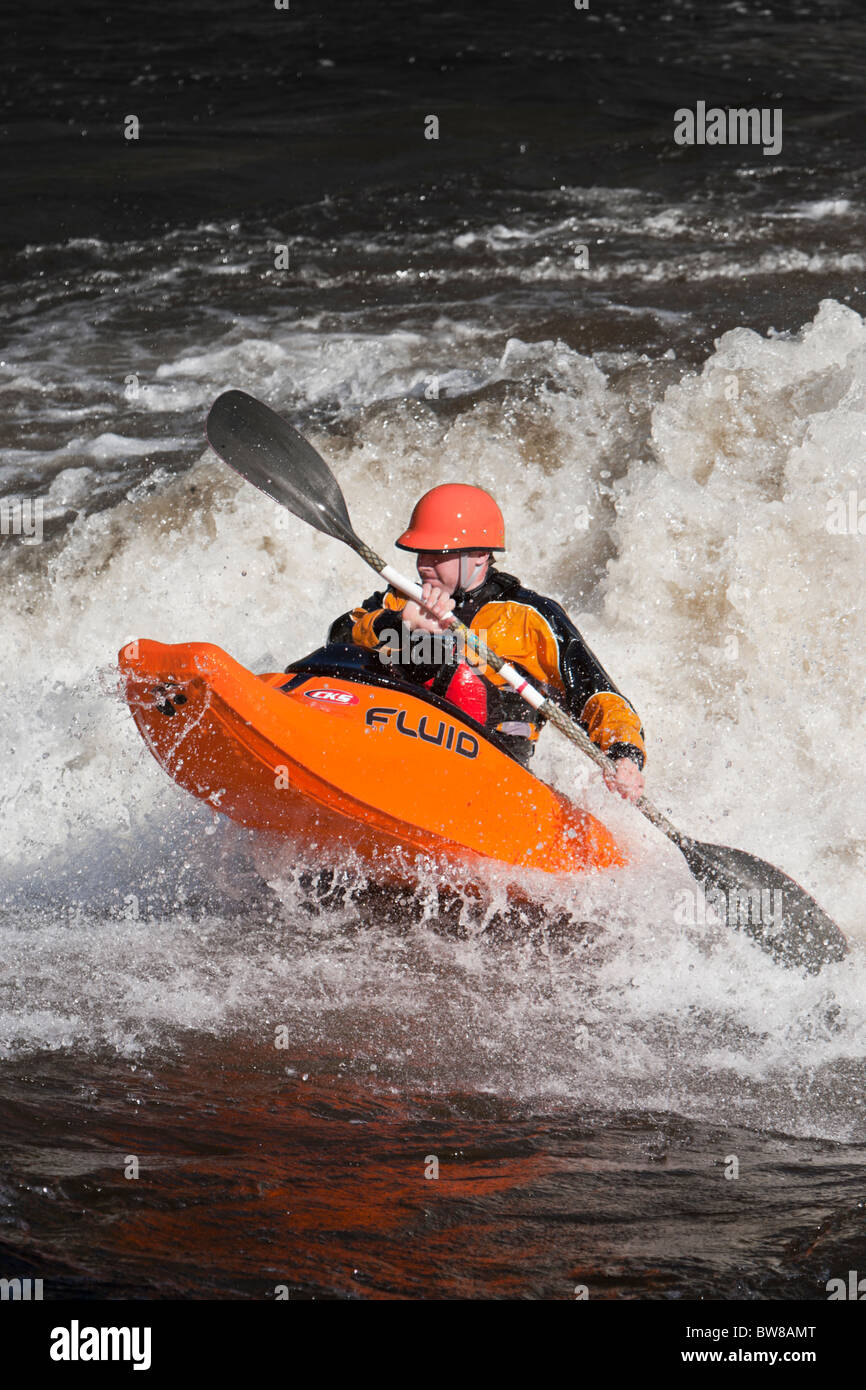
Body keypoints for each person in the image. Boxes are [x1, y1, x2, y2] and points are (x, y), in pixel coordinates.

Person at [328, 484, 645, 801]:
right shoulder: (400, 599)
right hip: (397, 740)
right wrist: (398, 623)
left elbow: (598, 693)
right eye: (420, 552)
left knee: (457, 673)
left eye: (437, 554)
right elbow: (339, 639)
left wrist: (624, 753)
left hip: (493, 767)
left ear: (480, 555)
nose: (423, 564)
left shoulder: (528, 617)